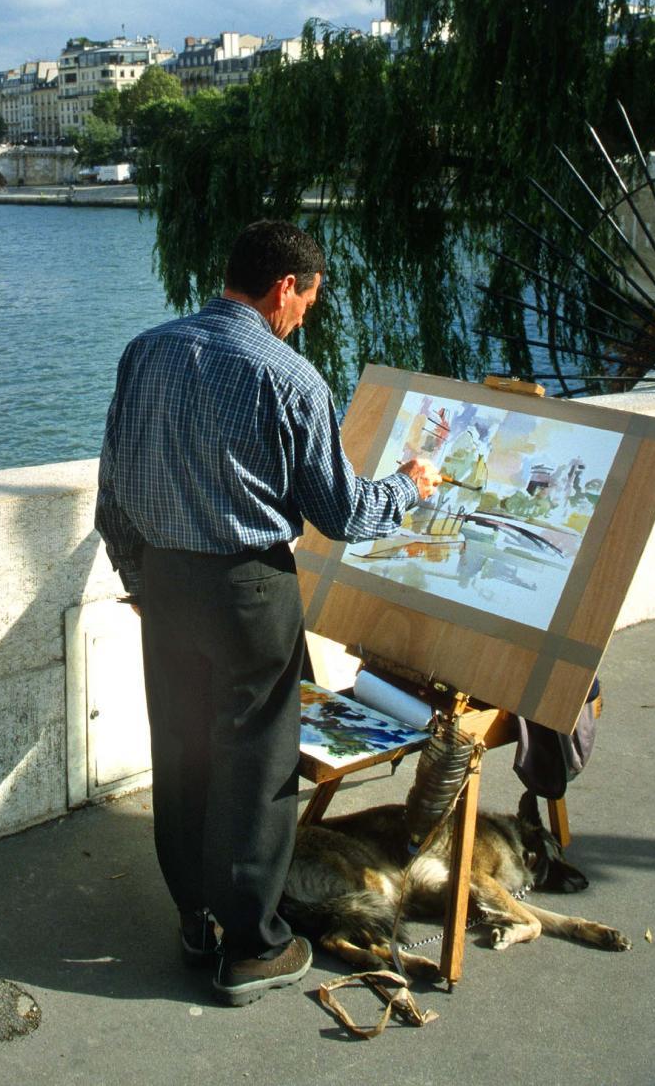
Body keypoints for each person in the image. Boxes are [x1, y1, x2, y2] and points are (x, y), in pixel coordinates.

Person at [95, 220, 441, 1005]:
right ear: (286, 286)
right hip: (250, 591)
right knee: (257, 764)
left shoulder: (145, 350)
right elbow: (344, 512)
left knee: (182, 752)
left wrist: (142, 579)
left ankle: (194, 920)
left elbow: (112, 488)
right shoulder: (289, 378)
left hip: (166, 585)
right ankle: (251, 947)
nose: (306, 318)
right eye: (308, 301)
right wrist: (411, 488)